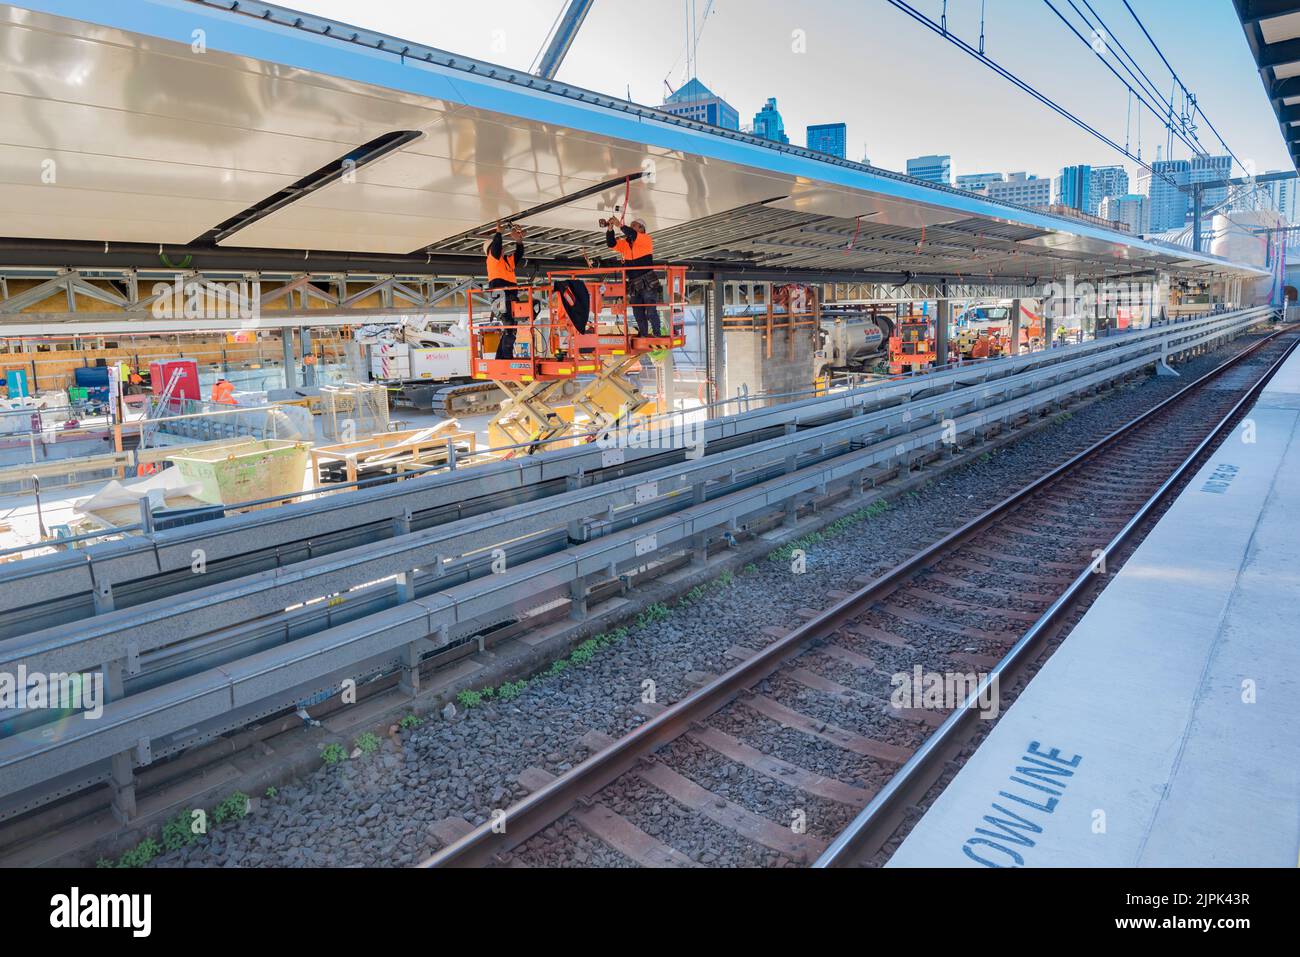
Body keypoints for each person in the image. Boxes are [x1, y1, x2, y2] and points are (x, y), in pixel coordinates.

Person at [604, 216, 662, 337]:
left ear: (642, 229)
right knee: (638, 312)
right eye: (631, 225)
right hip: (634, 283)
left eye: (634, 225)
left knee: (651, 311)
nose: (631, 227)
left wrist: (619, 225)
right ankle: (644, 334)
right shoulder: (626, 243)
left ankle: (657, 333)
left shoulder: (646, 239)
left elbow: (632, 234)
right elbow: (611, 243)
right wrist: (610, 228)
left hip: (647, 281)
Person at [485, 223, 527, 359]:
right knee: (510, 329)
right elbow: (496, 248)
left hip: (507, 298)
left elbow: (519, 254)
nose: (502, 249)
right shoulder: (492, 259)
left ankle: (501, 358)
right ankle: (505, 358)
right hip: (502, 298)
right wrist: (498, 233)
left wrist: (519, 240)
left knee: (510, 329)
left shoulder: (506, 261)